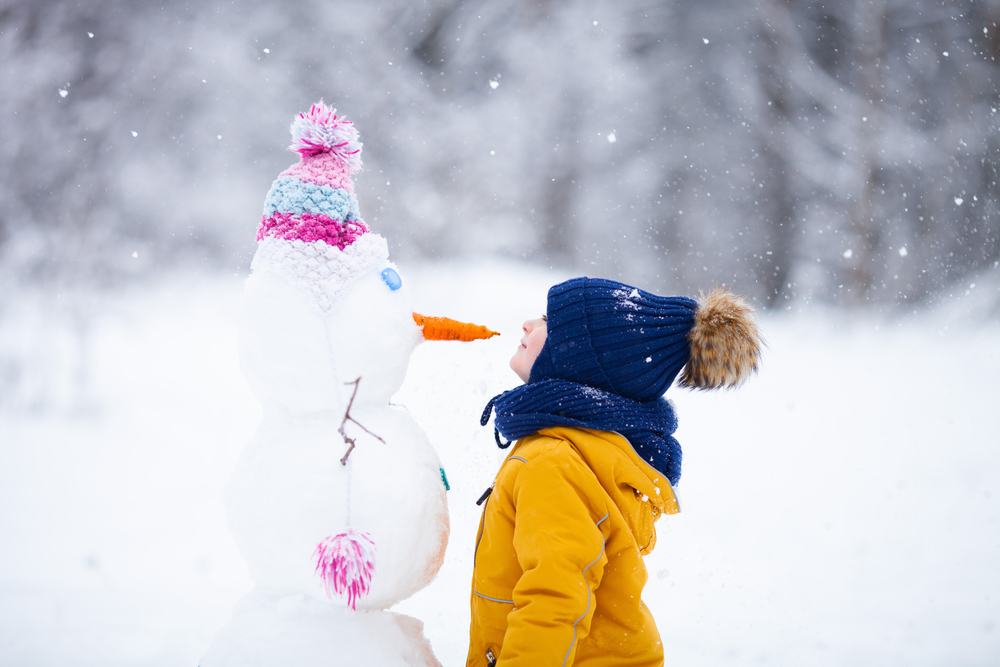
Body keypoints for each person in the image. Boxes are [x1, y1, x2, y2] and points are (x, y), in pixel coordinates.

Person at [468, 276, 763, 666]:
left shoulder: (553, 462)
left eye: (547, 321)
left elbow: (553, 602)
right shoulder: (591, 451)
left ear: (583, 364)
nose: (528, 324)